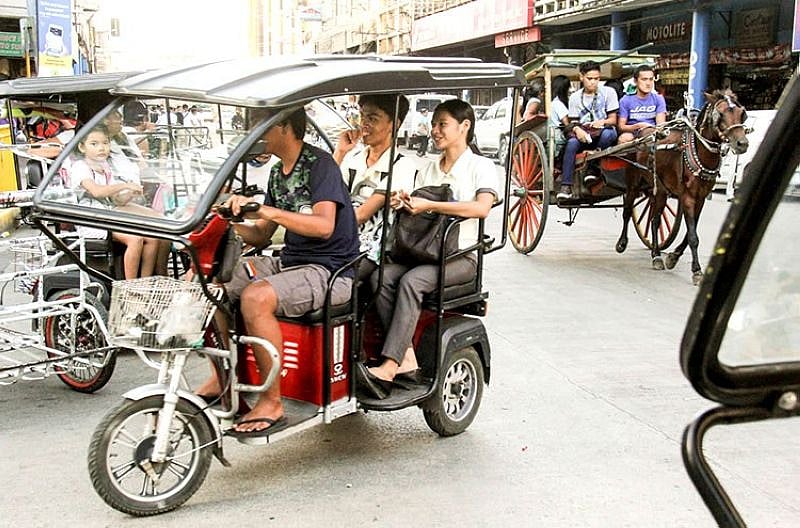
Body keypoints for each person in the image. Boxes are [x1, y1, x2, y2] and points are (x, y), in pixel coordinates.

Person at [196, 107, 359, 434]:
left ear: (284, 126)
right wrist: (227, 221)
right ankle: (224, 376)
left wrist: (267, 209)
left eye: (260, 125)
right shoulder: (277, 173)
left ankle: (271, 401)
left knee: (256, 297)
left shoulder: (320, 165)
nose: (254, 132)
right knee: (215, 282)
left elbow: (324, 226)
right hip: (292, 261)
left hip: (331, 270)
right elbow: (261, 234)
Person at [355, 99, 497, 400]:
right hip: (424, 253)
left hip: (460, 257)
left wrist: (431, 204)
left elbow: (481, 208)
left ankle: (390, 366)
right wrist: (404, 202)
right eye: (433, 124)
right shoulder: (428, 168)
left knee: (411, 281)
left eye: (442, 124)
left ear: (465, 126)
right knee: (381, 277)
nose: (435, 131)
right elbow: (416, 206)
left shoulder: (480, 166)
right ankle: (406, 355)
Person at [333, 94, 423, 281]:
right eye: (362, 117)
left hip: (372, 250)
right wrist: (340, 152)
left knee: (329, 282)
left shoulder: (402, 165)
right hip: (340, 240)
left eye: (373, 119)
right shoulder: (353, 159)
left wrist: (323, 225)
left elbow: (361, 215)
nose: (364, 124)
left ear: (394, 124)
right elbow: (325, 191)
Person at [69, 125, 162, 279]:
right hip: (91, 220)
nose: (101, 148)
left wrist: (131, 193)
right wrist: (125, 185)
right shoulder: (80, 167)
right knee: (135, 239)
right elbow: (97, 191)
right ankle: (129, 287)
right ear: (82, 147)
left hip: (108, 215)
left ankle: (146, 281)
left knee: (152, 237)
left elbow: (115, 199)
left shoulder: (105, 167)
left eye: (105, 143)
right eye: (94, 144)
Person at [557, 60, 619, 200]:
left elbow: (613, 119)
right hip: (583, 133)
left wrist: (601, 122)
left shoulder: (609, 92)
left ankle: (593, 167)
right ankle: (566, 186)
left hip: (603, 132)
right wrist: (578, 130)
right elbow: (573, 122)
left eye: (596, 79)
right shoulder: (574, 98)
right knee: (572, 143)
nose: (593, 82)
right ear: (581, 77)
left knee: (608, 134)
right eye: (589, 79)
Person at [617, 65, 667, 143]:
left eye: (651, 79)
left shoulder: (658, 99)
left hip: (651, 133)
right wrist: (637, 126)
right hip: (632, 133)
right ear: (635, 81)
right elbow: (621, 126)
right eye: (644, 79)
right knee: (623, 138)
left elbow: (660, 125)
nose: (648, 83)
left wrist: (649, 129)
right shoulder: (625, 100)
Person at [549, 75, 572, 158]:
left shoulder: (552, 102)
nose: (570, 90)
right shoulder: (558, 104)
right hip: (558, 136)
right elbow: (566, 123)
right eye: (569, 87)